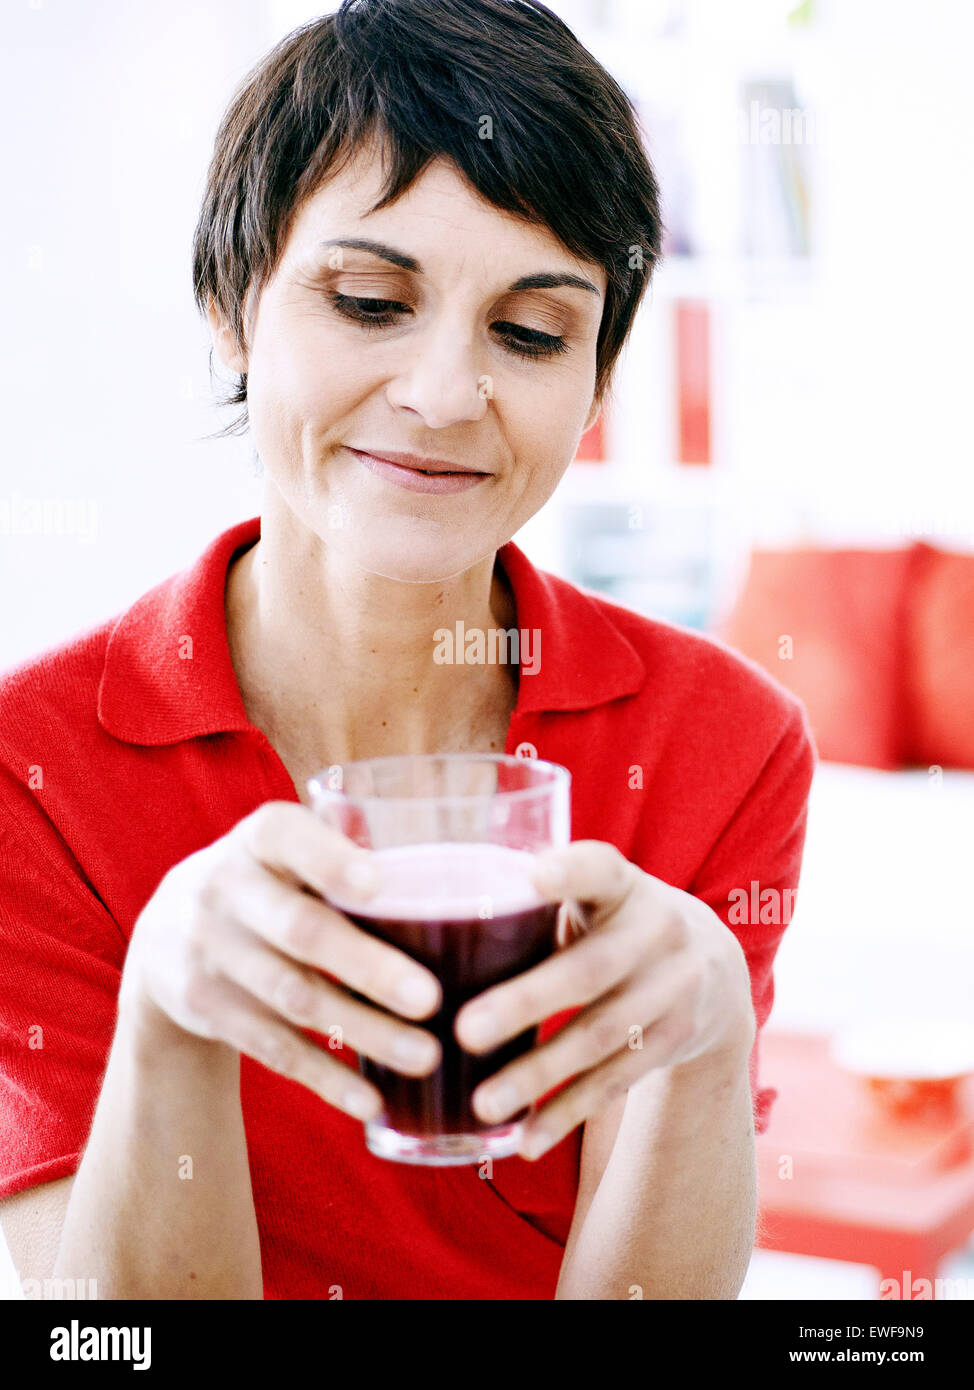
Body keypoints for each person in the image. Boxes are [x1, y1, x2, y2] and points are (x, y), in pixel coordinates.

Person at [0, 0, 815, 1300]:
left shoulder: (723, 738)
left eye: (531, 332)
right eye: (370, 300)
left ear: (596, 383)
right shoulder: (28, 765)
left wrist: (706, 1036)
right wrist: (168, 1009)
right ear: (229, 307)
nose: (444, 396)